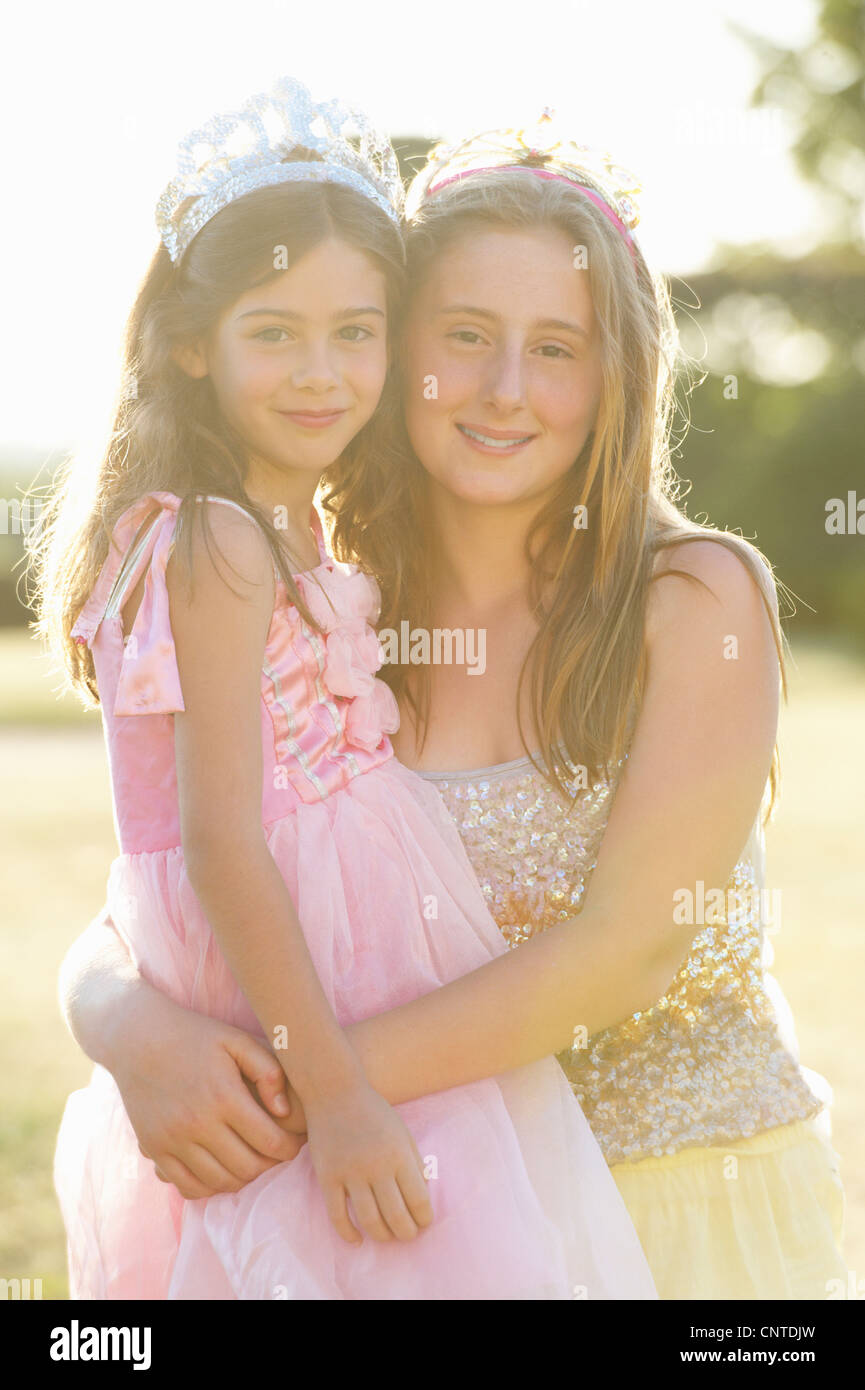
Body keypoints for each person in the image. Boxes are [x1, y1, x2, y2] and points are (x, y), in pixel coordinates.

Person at [54, 115, 846, 1300]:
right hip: (417, 1210)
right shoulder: (335, 599)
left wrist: (295, 1088)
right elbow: (189, 857)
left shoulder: (688, 599)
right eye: (463, 337)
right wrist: (120, 1022)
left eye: (557, 349)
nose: (503, 391)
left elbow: (626, 950)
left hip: (671, 1205)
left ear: (616, 372)